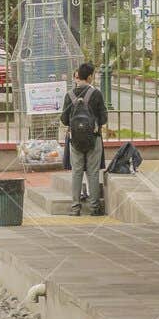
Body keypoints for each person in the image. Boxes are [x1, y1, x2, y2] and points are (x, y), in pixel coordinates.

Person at [60, 62, 108, 216]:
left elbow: (64, 119)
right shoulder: (96, 94)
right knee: (93, 173)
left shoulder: (70, 95)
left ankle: (75, 208)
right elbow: (103, 118)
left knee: (77, 172)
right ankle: (94, 208)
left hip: (75, 141)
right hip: (94, 139)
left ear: (77, 76)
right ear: (89, 77)